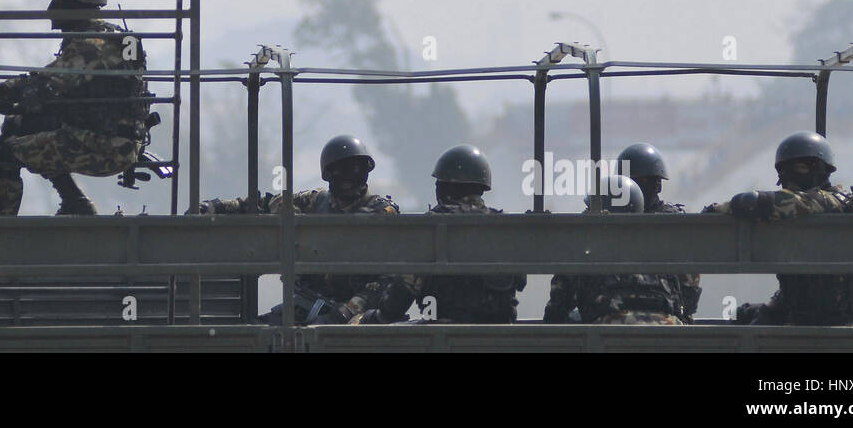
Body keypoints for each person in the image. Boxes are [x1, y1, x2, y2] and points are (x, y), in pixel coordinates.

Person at [0, 0, 150, 216]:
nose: (50, 10)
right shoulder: (105, 37)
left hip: (106, 146)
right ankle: (75, 202)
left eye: (57, 2)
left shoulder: (93, 45)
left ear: (75, 4)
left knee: (3, 152)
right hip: (109, 138)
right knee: (19, 124)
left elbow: (42, 85)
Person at [199, 134, 403, 324]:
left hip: (357, 314)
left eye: (356, 169)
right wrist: (215, 207)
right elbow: (265, 203)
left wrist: (346, 311)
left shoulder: (382, 213)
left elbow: (389, 277)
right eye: (341, 170)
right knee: (253, 331)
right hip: (307, 303)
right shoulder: (316, 201)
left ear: (366, 171)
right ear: (329, 174)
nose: (349, 176)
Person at [704, 131, 853, 327]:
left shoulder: (833, 201)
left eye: (803, 168)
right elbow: (799, 285)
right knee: (749, 319)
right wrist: (768, 312)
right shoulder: (798, 214)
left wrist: (721, 208)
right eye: (788, 171)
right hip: (804, 314)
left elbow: (763, 203)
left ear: (822, 170)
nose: (794, 178)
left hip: (844, 321)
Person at [378, 145, 524, 324]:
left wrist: (382, 313)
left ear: (444, 186)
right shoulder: (503, 226)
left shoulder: (433, 225)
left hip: (443, 330)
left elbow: (403, 292)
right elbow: (519, 281)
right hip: (498, 333)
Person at [543, 174, 688, 325]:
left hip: (607, 334)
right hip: (668, 330)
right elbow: (684, 298)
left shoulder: (588, 251)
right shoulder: (660, 246)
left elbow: (557, 308)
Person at [617, 143, 701, 322]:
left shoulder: (608, 219)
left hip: (614, 316)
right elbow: (690, 281)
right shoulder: (673, 221)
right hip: (663, 317)